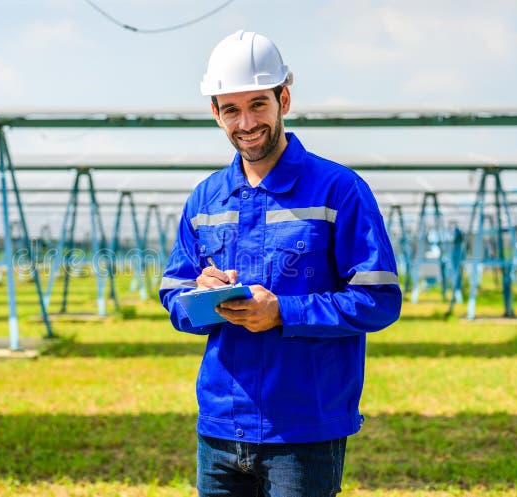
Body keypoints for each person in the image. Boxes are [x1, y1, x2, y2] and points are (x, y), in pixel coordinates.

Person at [159, 30, 402, 497]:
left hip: (303, 431)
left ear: (283, 98)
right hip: (221, 425)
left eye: (258, 104)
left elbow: (378, 300)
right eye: (230, 109)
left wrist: (283, 313)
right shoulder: (205, 198)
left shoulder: (339, 190)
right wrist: (201, 296)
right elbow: (174, 296)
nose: (245, 122)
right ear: (215, 112)